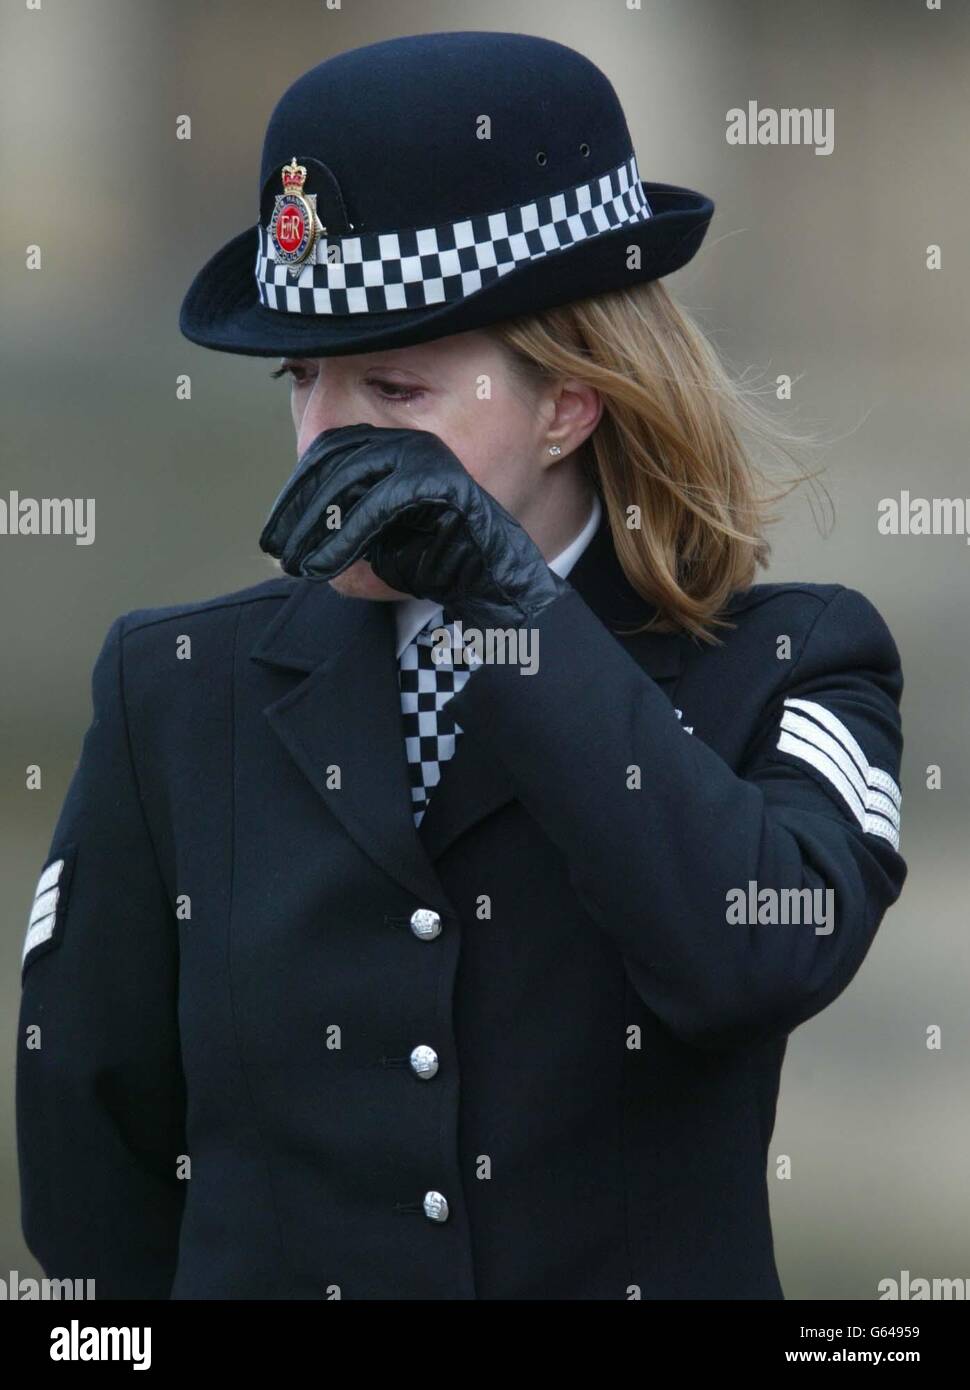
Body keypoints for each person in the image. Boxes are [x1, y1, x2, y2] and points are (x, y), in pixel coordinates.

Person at [16, 29, 906, 1301]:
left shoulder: (790, 662)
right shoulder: (170, 688)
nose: (324, 443)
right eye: (302, 378)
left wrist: (505, 604)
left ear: (570, 403)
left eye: (393, 388)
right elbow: (92, 1164)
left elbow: (752, 955)